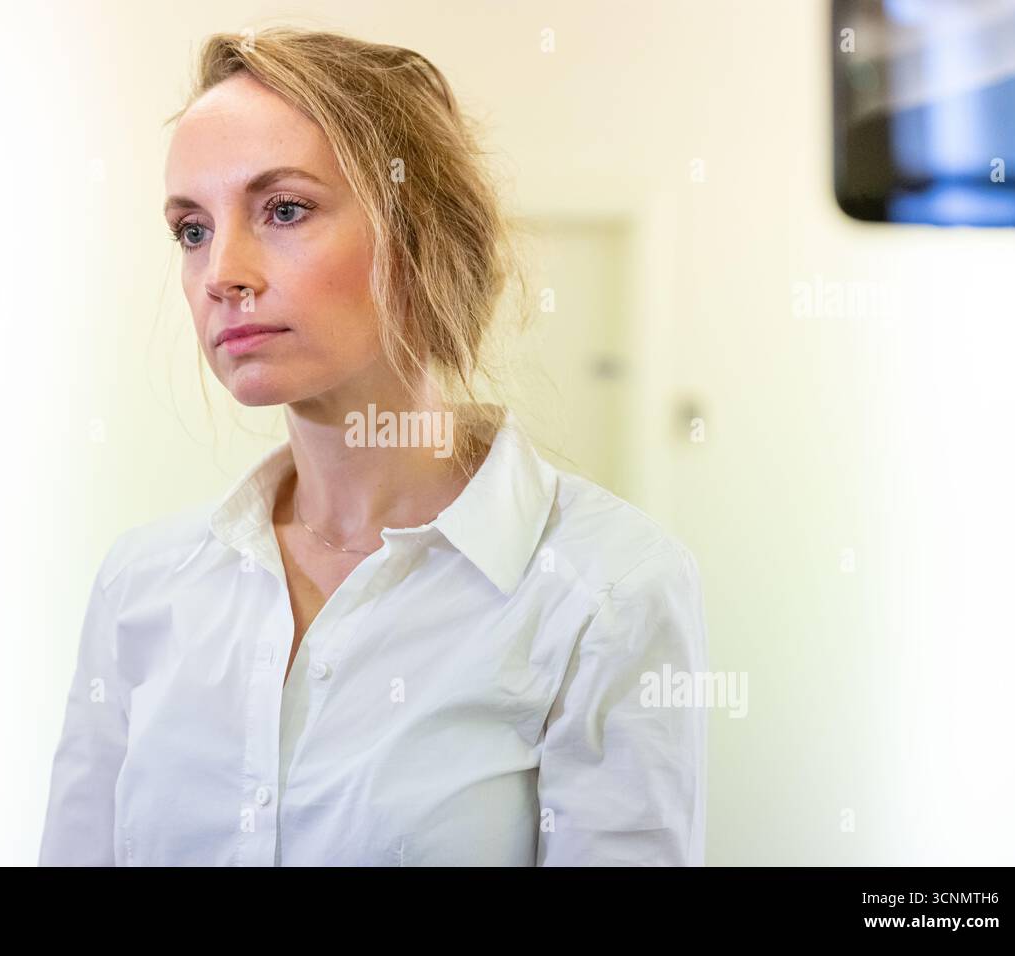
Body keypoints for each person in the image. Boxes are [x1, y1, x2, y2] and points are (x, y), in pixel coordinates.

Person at [39, 27, 707, 866]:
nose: (222, 273)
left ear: (420, 236)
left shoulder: (608, 588)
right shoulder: (142, 586)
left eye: (284, 210)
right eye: (191, 229)